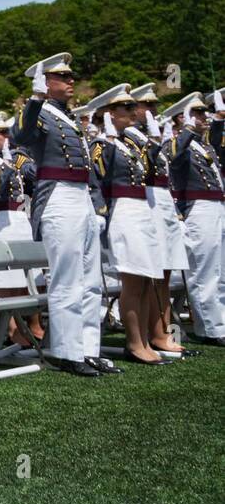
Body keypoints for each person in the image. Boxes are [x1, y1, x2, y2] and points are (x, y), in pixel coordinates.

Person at [11, 53, 113, 376]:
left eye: (71, 76)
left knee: (91, 279)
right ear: (47, 81)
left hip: (80, 196)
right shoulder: (40, 113)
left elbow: (87, 167)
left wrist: (97, 204)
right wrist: (35, 99)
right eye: (63, 77)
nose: (71, 81)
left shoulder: (71, 118)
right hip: (57, 196)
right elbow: (22, 137)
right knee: (67, 277)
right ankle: (68, 352)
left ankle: (88, 349)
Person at [89, 85, 168, 365]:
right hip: (123, 211)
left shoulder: (132, 142)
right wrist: (109, 141)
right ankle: (134, 343)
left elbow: (150, 165)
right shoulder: (101, 143)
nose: (134, 112)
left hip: (142, 209)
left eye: (133, 107)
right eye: (126, 109)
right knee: (133, 281)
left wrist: (153, 134)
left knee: (147, 279)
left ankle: (145, 341)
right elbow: (97, 176)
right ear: (110, 114)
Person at [127, 83, 194, 355]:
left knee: (165, 272)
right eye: (147, 106)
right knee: (153, 273)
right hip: (147, 198)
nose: (153, 111)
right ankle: (153, 334)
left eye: (155, 105)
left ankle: (162, 333)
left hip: (162, 199)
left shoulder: (148, 135)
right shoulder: (130, 136)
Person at [0, 113, 45, 345]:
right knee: (6, 279)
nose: (7, 137)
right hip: (0, 220)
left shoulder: (13, 158)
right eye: (1, 133)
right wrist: (5, 164)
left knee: (24, 278)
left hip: (19, 218)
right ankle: (12, 328)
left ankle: (25, 325)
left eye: (7, 132)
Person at [166, 91, 225, 346]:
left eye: (203, 112)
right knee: (205, 271)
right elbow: (175, 157)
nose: (204, 117)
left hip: (216, 205)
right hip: (198, 207)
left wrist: (220, 121)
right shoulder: (178, 142)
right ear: (183, 118)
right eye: (197, 113)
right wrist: (188, 128)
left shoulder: (205, 143)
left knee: (220, 270)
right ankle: (210, 328)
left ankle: (220, 322)